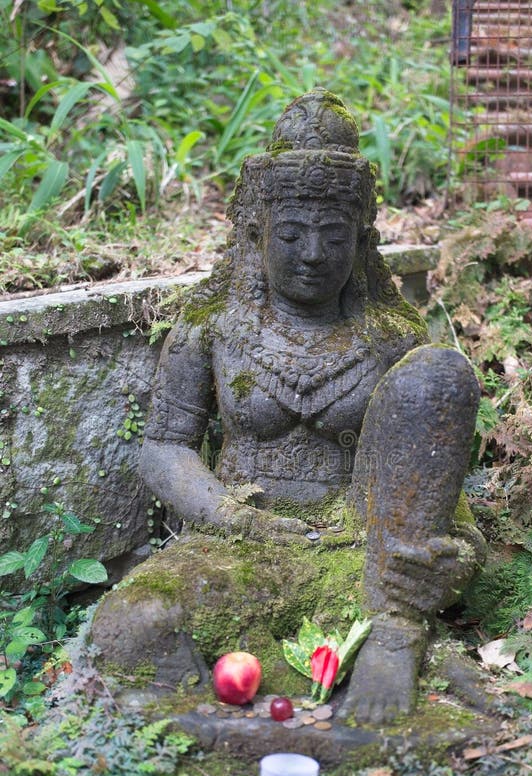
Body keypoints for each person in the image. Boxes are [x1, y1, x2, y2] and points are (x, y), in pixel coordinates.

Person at [139, 90, 484, 724]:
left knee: (438, 374)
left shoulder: (392, 337)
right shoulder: (212, 326)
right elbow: (163, 446)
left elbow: (423, 474)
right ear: (256, 235)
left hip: (361, 549)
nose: (313, 255)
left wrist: (456, 546)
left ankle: (395, 631)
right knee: (134, 624)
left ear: (362, 241)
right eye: (292, 235)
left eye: (334, 236)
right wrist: (231, 517)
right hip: (240, 547)